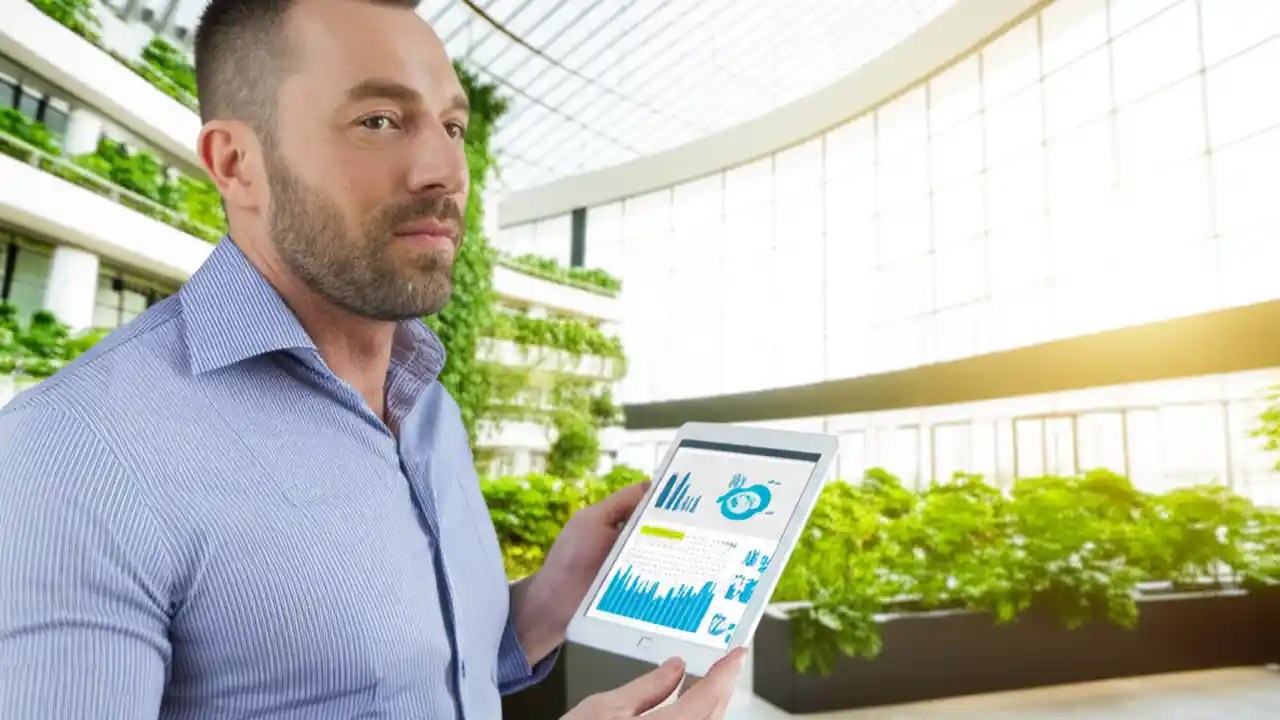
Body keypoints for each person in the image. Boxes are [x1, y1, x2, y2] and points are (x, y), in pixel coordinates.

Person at [0, 0, 745, 717]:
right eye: (378, 121)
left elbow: (421, 685)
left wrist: (547, 604)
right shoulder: (74, 453)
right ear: (236, 162)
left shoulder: (428, 410)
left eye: (453, 126)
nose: (444, 172)